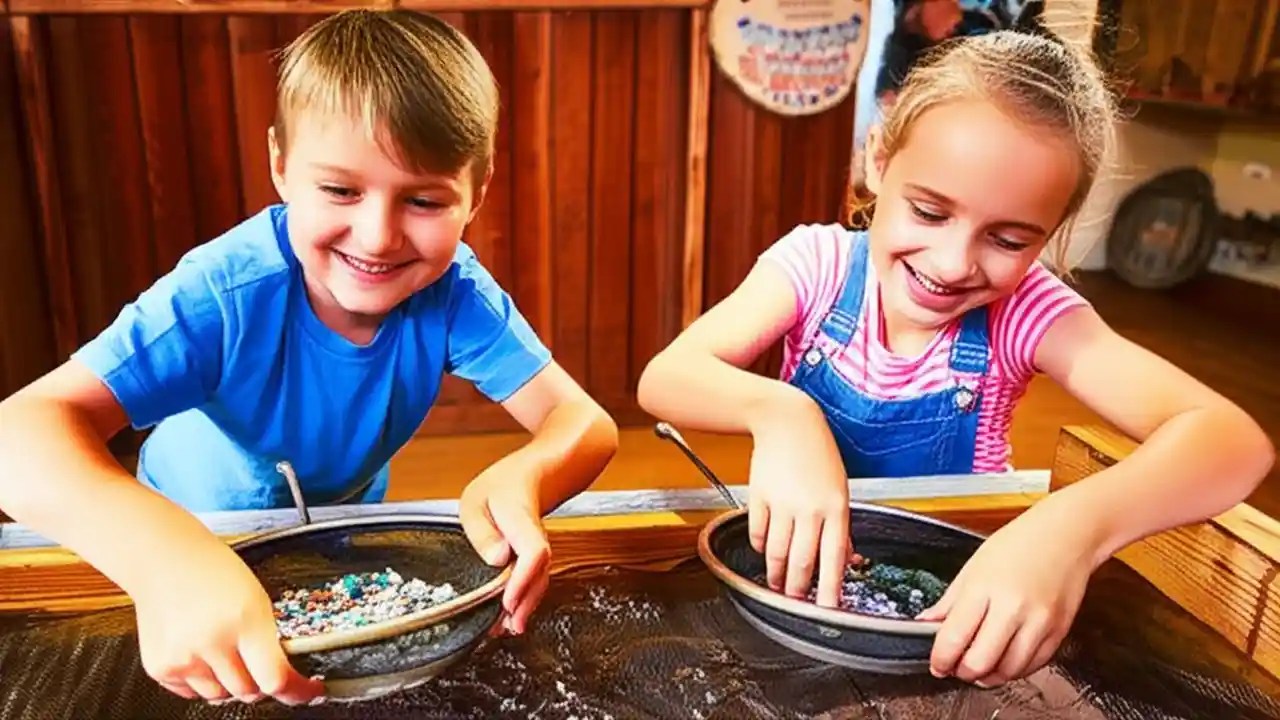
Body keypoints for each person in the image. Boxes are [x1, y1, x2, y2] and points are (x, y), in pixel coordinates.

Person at [0, 9, 617, 708]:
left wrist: (528, 476)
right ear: (281, 166)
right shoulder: (225, 292)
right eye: (340, 190)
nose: (378, 236)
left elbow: (582, 422)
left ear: (477, 191)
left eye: (422, 199)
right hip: (189, 537)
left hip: (335, 539)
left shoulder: (455, 293)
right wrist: (164, 560)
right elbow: (17, 433)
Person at [638, 30, 1273, 688]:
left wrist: (1071, 529)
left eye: (1007, 238)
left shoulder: (1028, 312)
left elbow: (1234, 443)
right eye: (929, 211)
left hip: (948, 604)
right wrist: (782, 412)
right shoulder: (816, 267)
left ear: (1053, 230)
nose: (953, 264)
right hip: (802, 580)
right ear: (879, 161)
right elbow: (667, 377)